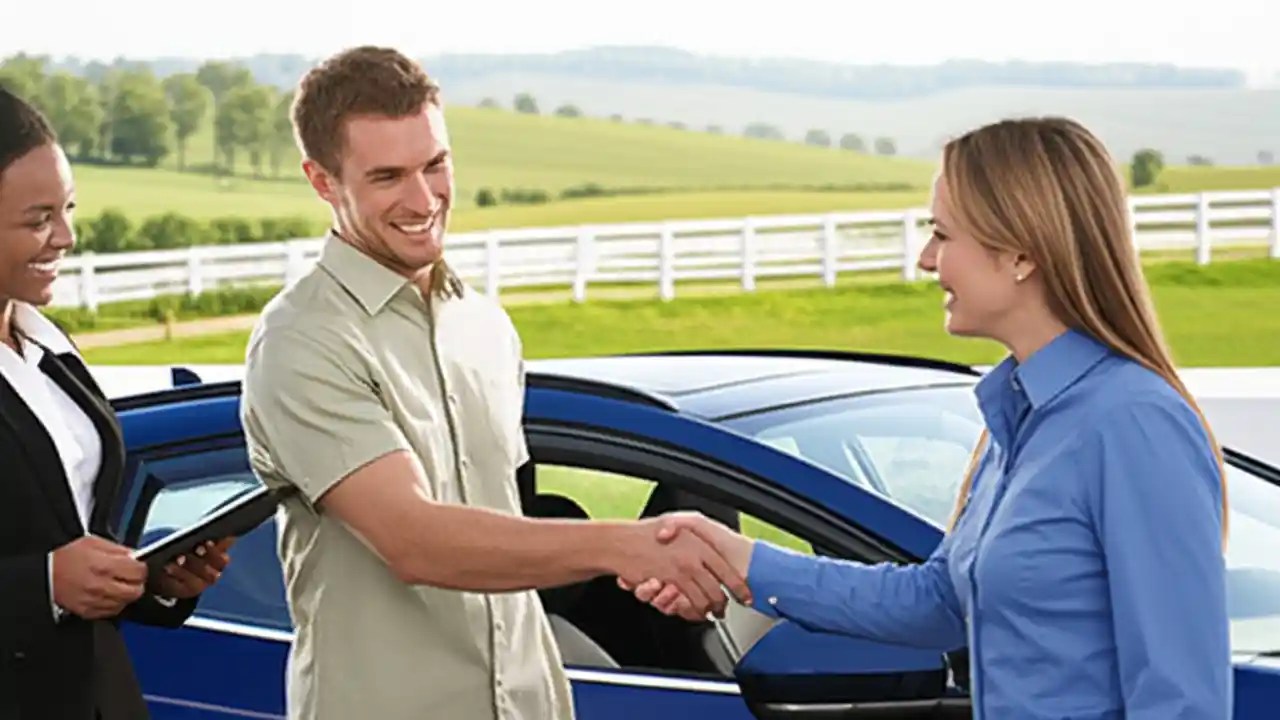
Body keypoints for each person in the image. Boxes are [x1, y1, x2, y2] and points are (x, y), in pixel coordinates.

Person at [626, 117, 1232, 718]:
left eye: (942, 235)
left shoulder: (1133, 424)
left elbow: (1183, 698)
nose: (925, 260)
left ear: (1021, 251)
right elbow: (940, 601)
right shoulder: (1022, 418)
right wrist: (742, 560)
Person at [239, 46, 748, 720]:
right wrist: (623, 544)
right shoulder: (302, 342)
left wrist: (647, 572)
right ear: (322, 180)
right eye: (388, 176)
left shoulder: (484, 327)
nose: (423, 199)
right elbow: (415, 541)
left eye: (436, 164)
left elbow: (503, 530)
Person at [0, 87, 233, 720]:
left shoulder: (45, 347)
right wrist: (44, 585)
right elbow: (47, 569)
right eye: (38, 219)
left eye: (68, 209)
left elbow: (72, 530)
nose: (66, 237)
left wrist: (149, 579)